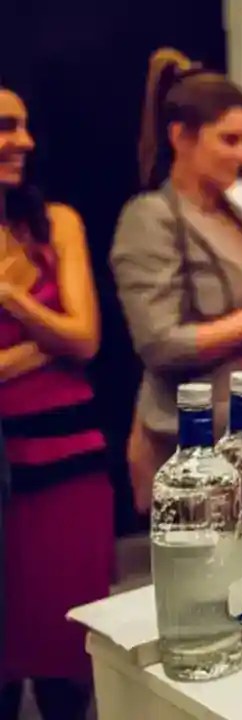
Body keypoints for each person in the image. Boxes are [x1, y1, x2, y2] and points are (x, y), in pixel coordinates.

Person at [112, 49, 242, 513]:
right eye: (229, 140)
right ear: (181, 136)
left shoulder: (231, 212)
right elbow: (161, 343)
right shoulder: (152, 218)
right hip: (197, 446)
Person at [0, 85, 112, 720]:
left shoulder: (57, 222)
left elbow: (87, 338)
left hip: (71, 465)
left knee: (69, 668)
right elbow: (67, 336)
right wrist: (53, 340)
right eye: (5, 126)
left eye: (25, 125)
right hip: (5, 471)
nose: (24, 141)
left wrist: (12, 297)